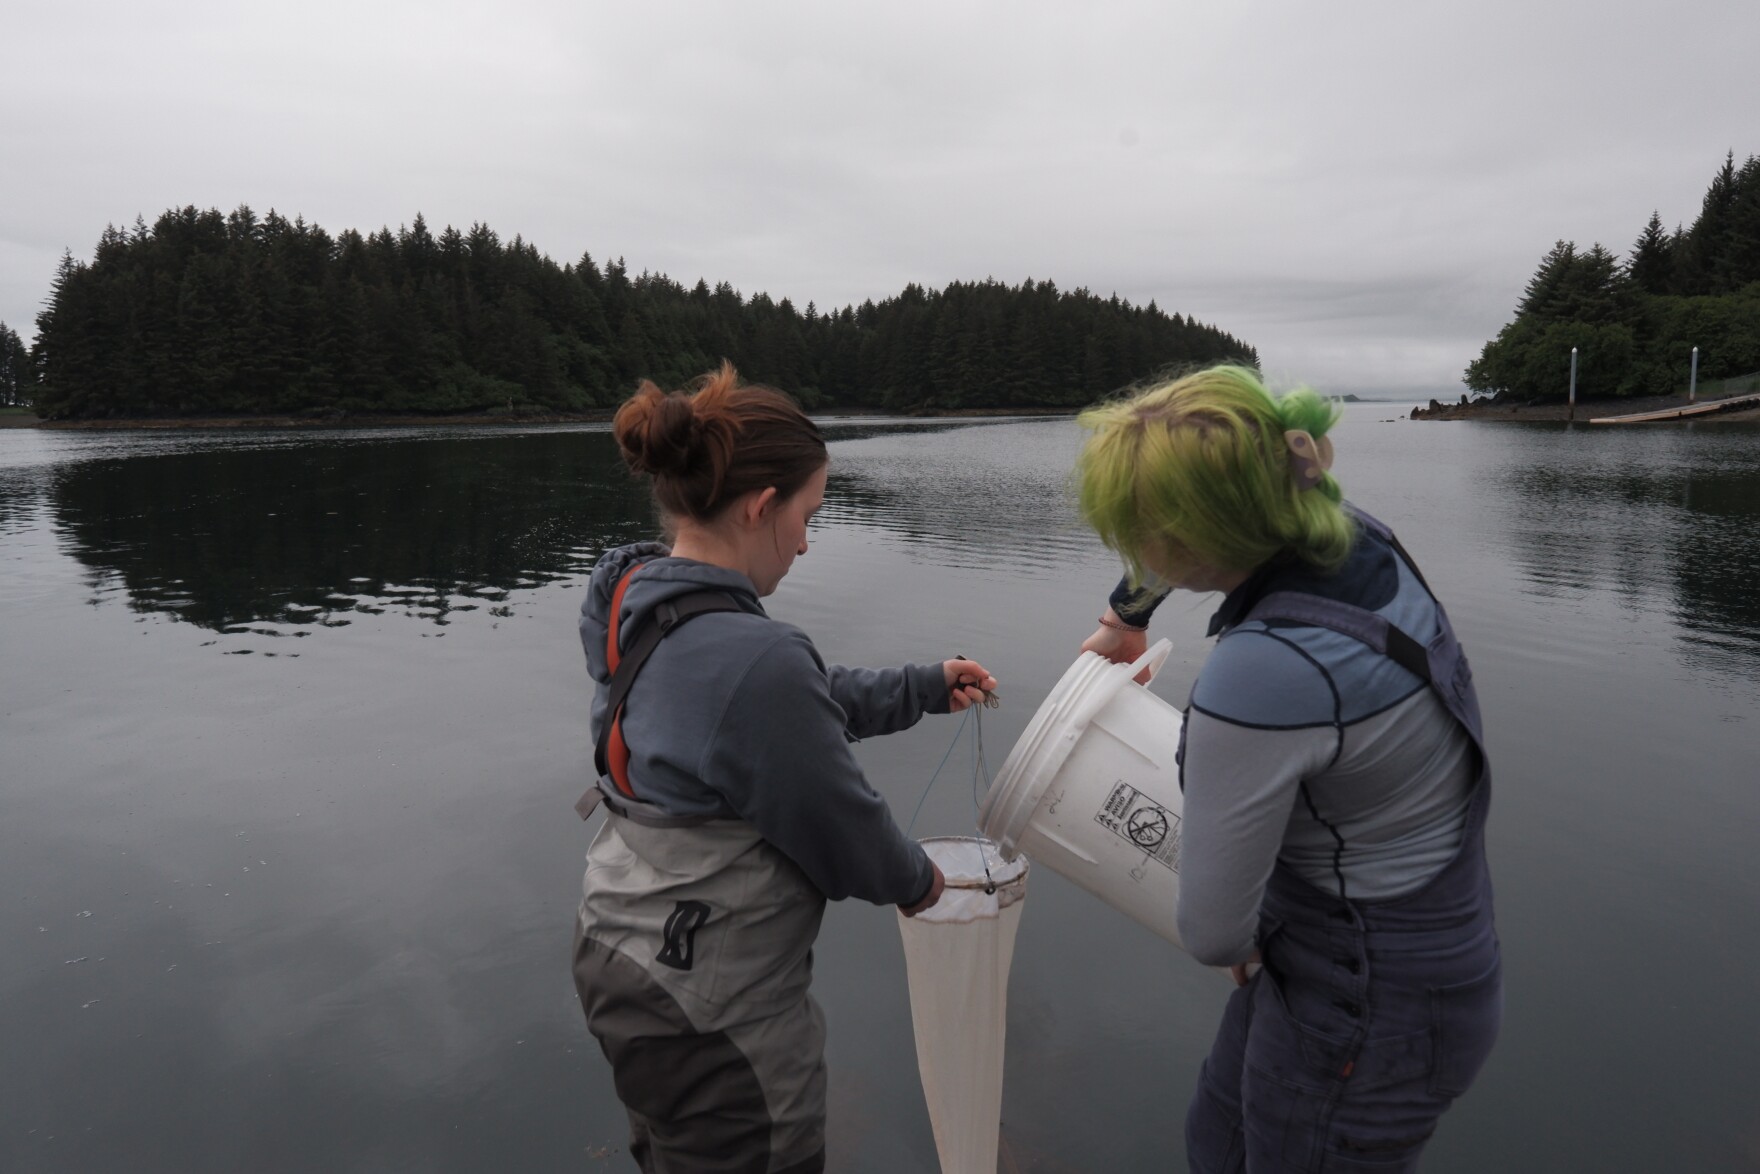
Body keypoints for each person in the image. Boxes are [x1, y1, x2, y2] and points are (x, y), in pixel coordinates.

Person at [571, 362, 998, 1174]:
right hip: (710, 1009)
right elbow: (839, 822)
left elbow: (769, 711)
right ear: (761, 507)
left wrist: (920, 687)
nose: (805, 542)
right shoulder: (753, 658)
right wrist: (920, 883)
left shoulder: (635, 601)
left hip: (617, 954)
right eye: (808, 516)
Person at [1073, 366, 1501, 1172]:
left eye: (1138, 531)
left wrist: (1241, 930)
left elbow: (1213, 931)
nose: (1130, 546)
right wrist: (1126, 616)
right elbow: (1197, 531)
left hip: (1370, 1010)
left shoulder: (1261, 673)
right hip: (1413, 954)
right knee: (1219, 1141)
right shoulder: (1347, 531)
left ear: (1195, 534)